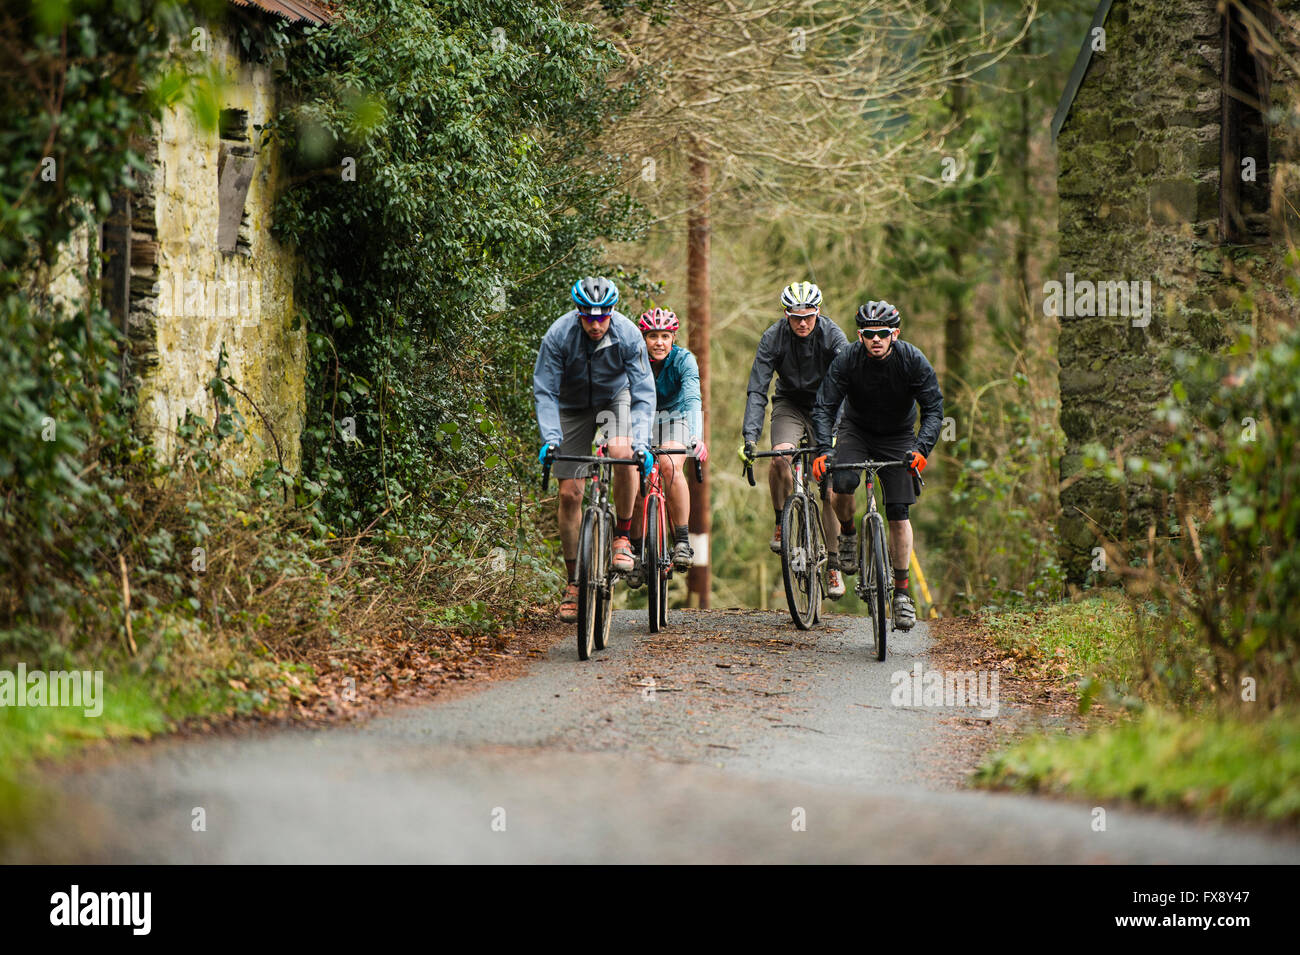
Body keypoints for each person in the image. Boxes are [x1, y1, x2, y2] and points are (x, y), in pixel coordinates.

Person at [810, 300, 944, 630]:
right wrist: (825, 450)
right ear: (860, 335)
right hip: (857, 431)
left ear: (894, 334)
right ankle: (849, 534)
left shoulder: (912, 360)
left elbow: (934, 409)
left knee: (899, 511)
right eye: (869, 334)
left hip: (899, 435)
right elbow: (824, 407)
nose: (876, 340)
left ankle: (901, 594)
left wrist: (921, 448)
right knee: (841, 483)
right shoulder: (848, 360)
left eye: (883, 334)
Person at [534, 277, 656, 622]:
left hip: (615, 399)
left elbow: (644, 393)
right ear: (578, 313)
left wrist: (642, 444)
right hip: (571, 406)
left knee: (622, 453)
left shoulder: (629, 334)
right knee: (571, 494)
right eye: (589, 317)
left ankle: (621, 536)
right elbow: (545, 391)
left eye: (603, 317)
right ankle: (574, 582)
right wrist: (550, 438)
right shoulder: (558, 336)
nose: (596, 324)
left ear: (613, 313)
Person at [738, 281, 850, 598]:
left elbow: (848, 385)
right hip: (789, 404)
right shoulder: (773, 337)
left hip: (826, 406)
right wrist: (749, 436)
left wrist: (839, 428)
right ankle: (780, 521)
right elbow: (757, 389)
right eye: (796, 316)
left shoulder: (832, 336)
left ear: (818, 312)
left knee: (828, 487)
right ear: (786, 314)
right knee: (780, 458)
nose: (802, 323)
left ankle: (833, 564)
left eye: (809, 316)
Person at [629, 307, 708, 577]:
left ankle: (682, 541)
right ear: (644, 338)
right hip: (640, 421)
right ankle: (635, 549)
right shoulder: (634, 359)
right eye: (652, 336)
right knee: (634, 476)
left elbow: (692, 398)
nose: (659, 342)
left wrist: (696, 435)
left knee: (670, 465)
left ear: (673, 338)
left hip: (676, 420)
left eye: (665, 336)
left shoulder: (684, 360)